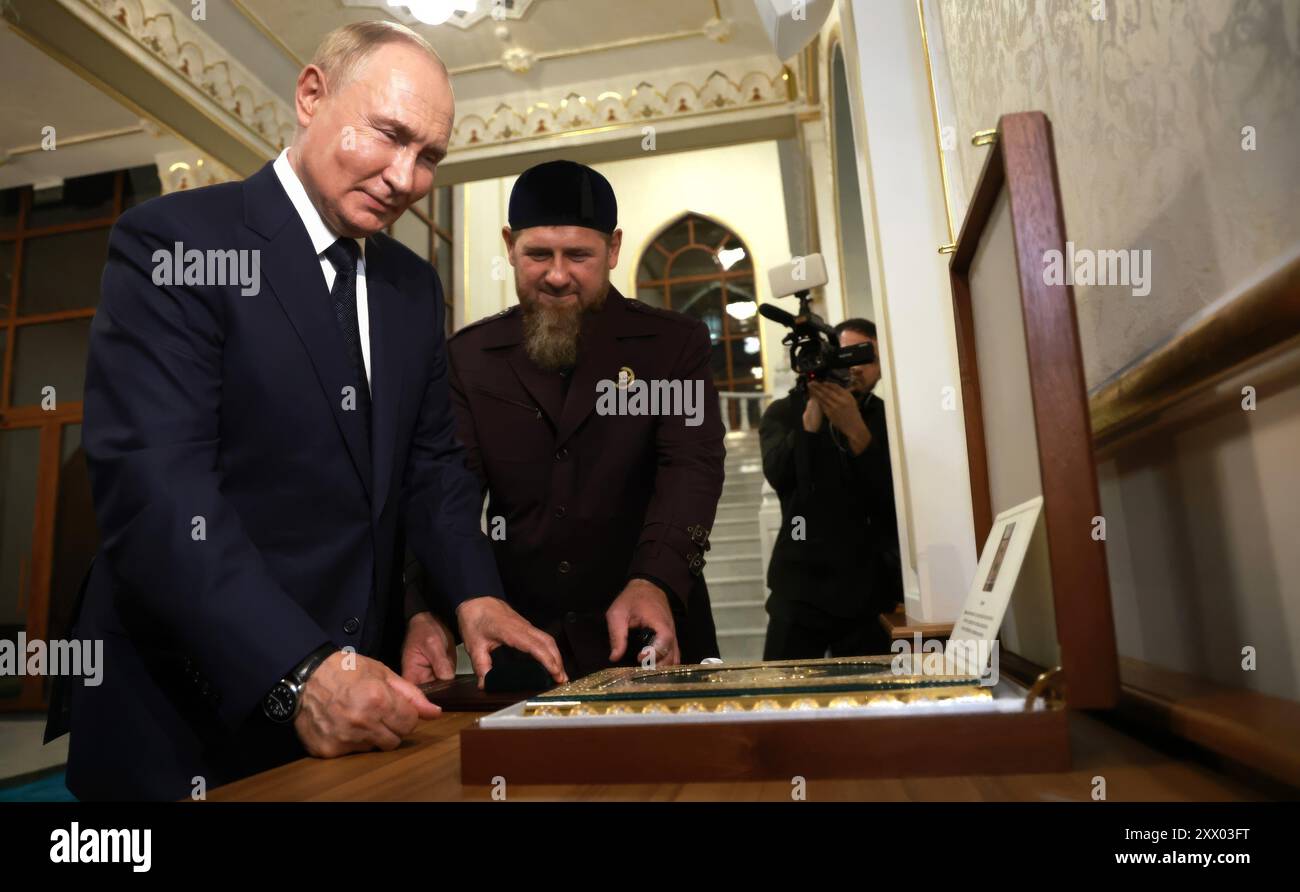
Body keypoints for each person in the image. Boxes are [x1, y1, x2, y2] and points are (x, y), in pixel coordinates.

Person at [48, 21, 564, 801]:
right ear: (312, 95)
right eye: (389, 135)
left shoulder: (411, 287)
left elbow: (431, 467)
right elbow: (157, 495)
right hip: (183, 713)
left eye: (429, 157)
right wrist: (297, 673)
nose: (404, 177)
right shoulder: (175, 239)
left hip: (359, 709)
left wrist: (473, 593)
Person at [406, 160, 725, 681]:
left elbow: (691, 468)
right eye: (537, 254)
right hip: (524, 644)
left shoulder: (672, 345)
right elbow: (447, 493)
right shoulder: (469, 357)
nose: (557, 275)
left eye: (579, 255)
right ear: (509, 245)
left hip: (651, 629)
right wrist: (430, 609)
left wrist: (656, 579)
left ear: (613, 249)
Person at [759, 318, 902, 660]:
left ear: (882, 370)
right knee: (781, 698)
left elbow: (889, 501)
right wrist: (811, 420)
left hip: (867, 591)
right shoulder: (783, 412)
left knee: (868, 703)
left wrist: (857, 432)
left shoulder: (889, 418)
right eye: (846, 355)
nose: (856, 368)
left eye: (867, 358)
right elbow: (780, 475)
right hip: (798, 585)